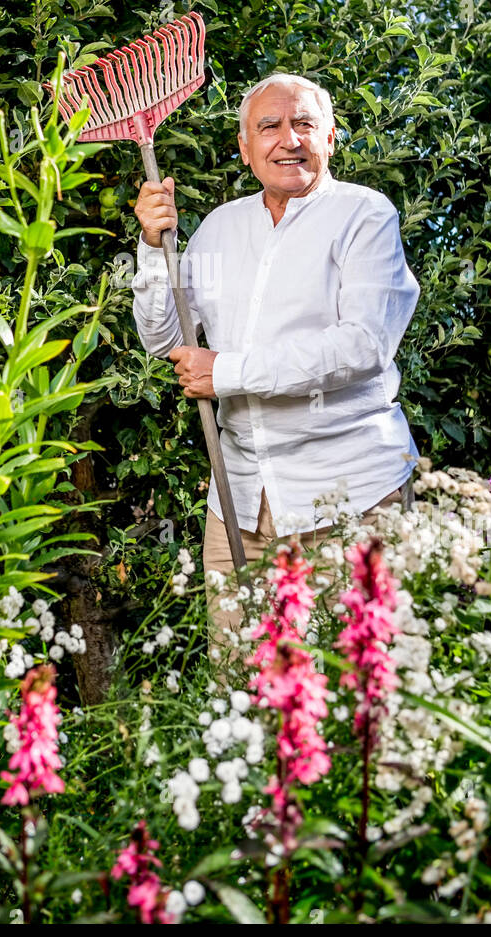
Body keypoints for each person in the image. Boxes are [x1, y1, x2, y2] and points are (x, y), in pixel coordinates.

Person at [131, 71, 419, 655]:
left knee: (355, 688)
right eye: (269, 126)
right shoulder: (219, 228)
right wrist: (152, 245)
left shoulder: (365, 217)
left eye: (304, 124)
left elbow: (363, 343)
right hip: (238, 506)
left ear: (330, 138)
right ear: (245, 147)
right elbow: (162, 337)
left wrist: (229, 372)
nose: (289, 139)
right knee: (241, 688)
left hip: (350, 498)